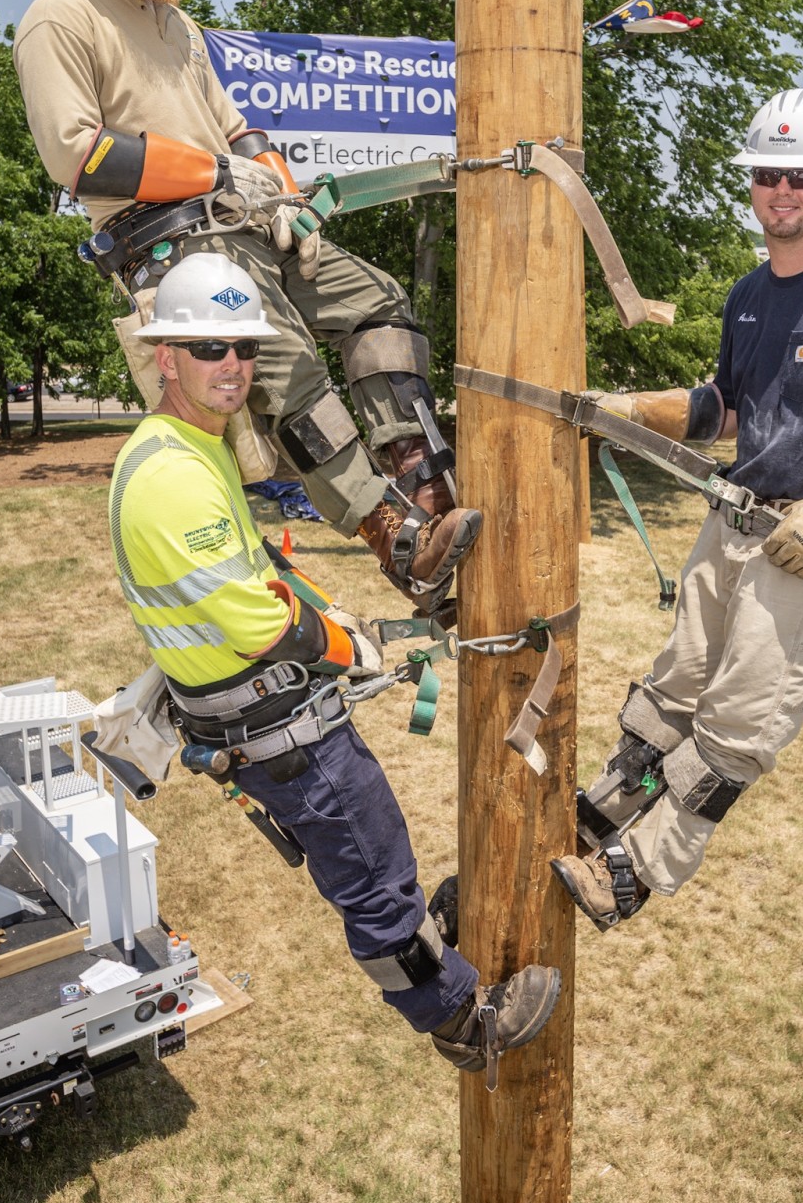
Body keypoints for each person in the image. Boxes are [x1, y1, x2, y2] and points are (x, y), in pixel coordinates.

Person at [14, 0, 478, 614]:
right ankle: (399, 545)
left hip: (250, 224)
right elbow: (80, 155)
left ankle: (430, 494)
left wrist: (279, 187)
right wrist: (217, 173)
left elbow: (241, 127)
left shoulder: (177, 19)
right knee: (292, 371)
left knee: (379, 304)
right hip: (171, 247)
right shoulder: (58, 18)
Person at [107, 252, 560, 1076]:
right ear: (164, 355)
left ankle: (431, 948)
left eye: (244, 348)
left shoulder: (191, 446)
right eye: (211, 350)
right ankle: (463, 1022)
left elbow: (255, 574)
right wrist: (348, 646)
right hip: (279, 730)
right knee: (372, 875)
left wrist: (327, 615)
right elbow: (257, 626)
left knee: (378, 856)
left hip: (261, 718)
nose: (234, 367)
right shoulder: (173, 473)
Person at [551, 88, 803, 930]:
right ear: (753, 183)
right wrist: (634, 410)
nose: (785, 191)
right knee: (674, 689)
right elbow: (732, 409)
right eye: (770, 174)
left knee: (739, 722)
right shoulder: (750, 293)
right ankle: (600, 811)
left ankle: (631, 872)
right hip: (732, 523)